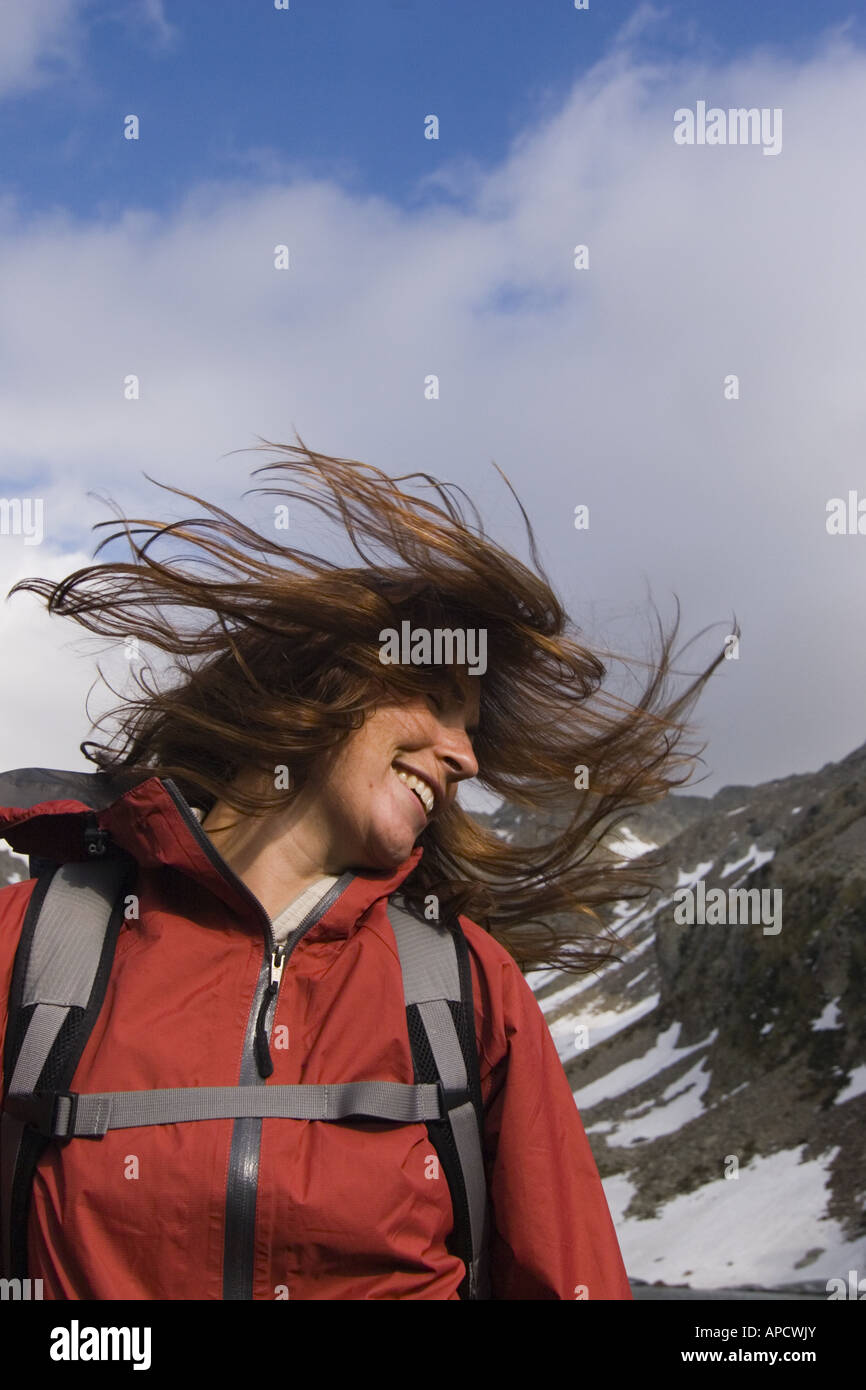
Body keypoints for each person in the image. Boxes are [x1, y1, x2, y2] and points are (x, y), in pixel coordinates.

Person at [0, 437, 730, 1299]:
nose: (467, 758)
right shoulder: (37, 948)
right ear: (334, 680)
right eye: (443, 704)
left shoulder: (463, 990)